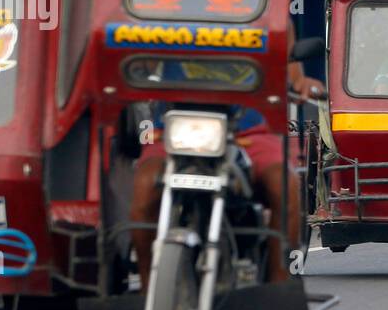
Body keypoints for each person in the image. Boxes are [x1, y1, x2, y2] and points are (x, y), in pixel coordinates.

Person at [129, 26, 323, 289]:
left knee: (285, 186)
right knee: (143, 189)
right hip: (174, 128)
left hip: (248, 129)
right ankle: (147, 292)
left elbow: (293, 75)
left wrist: (302, 84)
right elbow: (139, 60)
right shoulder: (168, 3)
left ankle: (278, 289)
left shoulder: (265, 5)